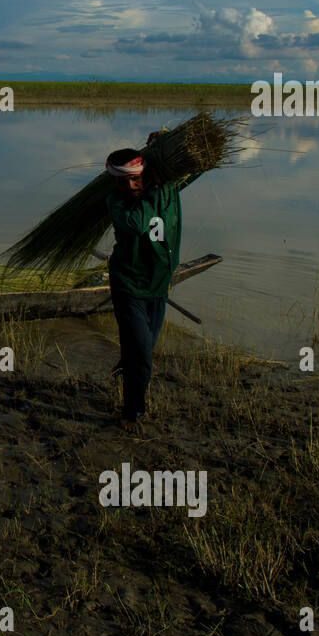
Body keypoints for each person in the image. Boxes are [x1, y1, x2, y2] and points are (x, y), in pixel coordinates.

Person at [104, 141, 189, 428]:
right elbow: (138, 224)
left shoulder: (168, 191)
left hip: (159, 285)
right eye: (123, 181)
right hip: (128, 286)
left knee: (143, 349)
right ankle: (132, 412)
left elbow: (190, 166)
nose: (130, 186)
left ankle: (129, 363)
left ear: (145, 174)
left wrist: (165, 143)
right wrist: (153, 189)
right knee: (141, 354)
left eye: (135, 179)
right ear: (115, 182)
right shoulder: (116, 203)